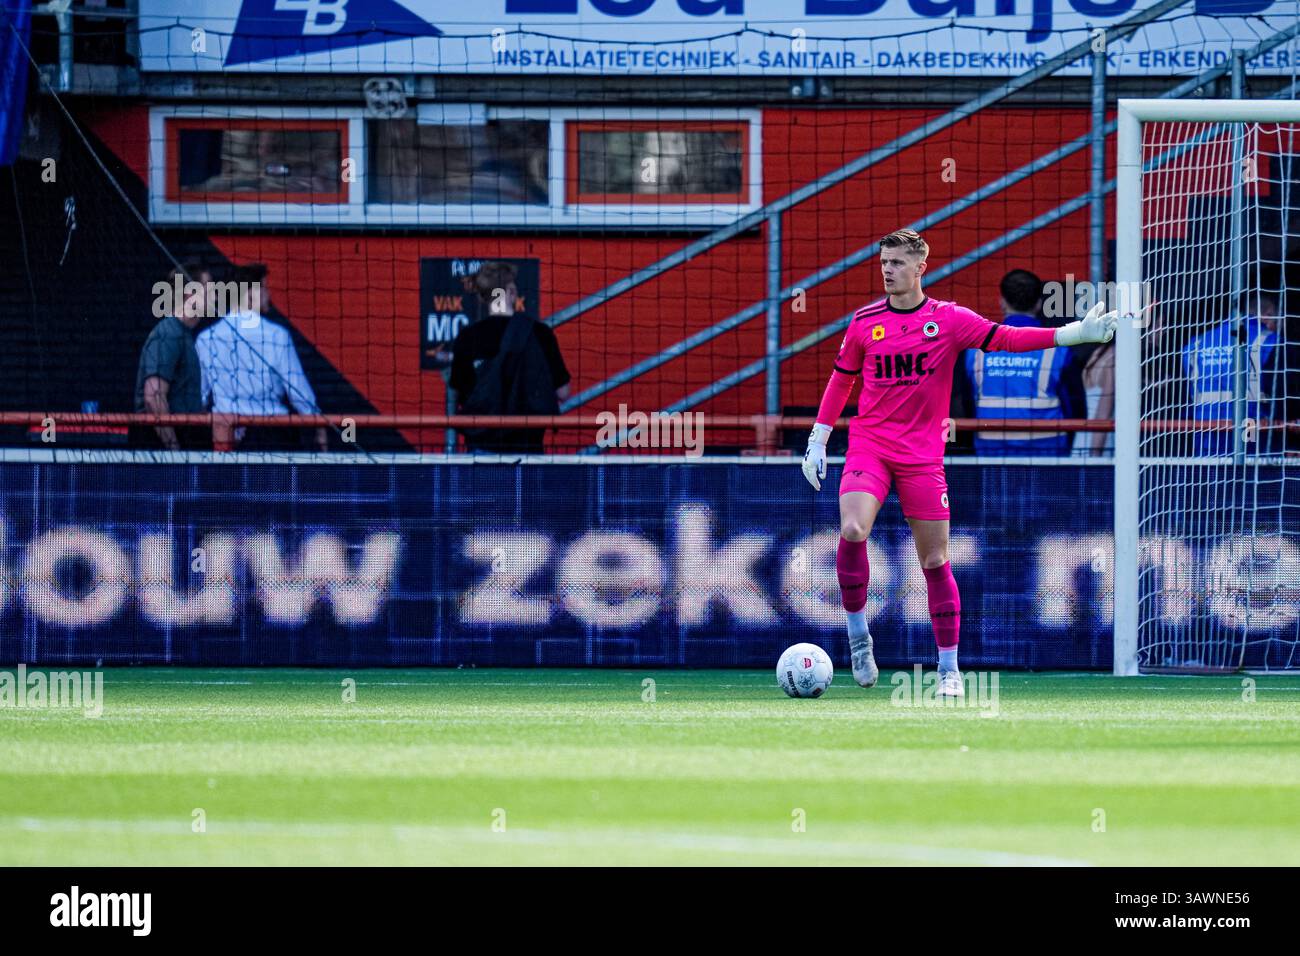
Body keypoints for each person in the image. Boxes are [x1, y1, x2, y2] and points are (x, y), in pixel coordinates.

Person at [801, 229, 1116, 698]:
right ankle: (858, 635)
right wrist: (818, 438)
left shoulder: (947, 319)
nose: (888, 270)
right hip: (870, 446)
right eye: (884, 262)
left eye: (898, 263)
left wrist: (1072, 335)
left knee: (934, 559)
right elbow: (841, 382)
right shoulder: (865, 321)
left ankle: (948, 669)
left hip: (922, 457)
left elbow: (1006, 338)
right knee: (852, 530)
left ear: (920, 267)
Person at [196, 263, 328, 452]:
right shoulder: (276, 335)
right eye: (264, 288)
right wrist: (318, 426)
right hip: (273, 436)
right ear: (250, 295)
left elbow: (199, 396)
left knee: (227, 483)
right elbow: (298, 391)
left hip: (226, 438)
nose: (269, 296)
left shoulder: (206, 338)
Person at [450, 261, 571, 453]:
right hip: (528, 445)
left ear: (483, 298)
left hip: (482, 445)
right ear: (512, 292)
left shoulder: (467, 338)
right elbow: (563, 393)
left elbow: (458, 395)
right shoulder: (539, 333)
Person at [964, 269, 1079, 456]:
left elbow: (967, 402)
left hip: (991, 451)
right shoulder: (1060, 348)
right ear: (1039, 304)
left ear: (1001, 302)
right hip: (1048, 451)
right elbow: (1074, 407)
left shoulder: (976, 349)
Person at [1181, 292, 1278, 456]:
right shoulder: (1270, 341)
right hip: (1251, 433)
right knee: (1249, 477)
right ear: (1268, 315)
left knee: (1207, 479)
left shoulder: (1195, 344)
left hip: (1205, 433)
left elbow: (1187, 393)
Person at [133, 261, 210, 450]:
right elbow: (154, 396)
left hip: (182, 438)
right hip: (160, 447)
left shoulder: (184, 335)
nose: (215, 296)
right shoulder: (169, 334)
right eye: (209, 290)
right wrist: (173, 449)